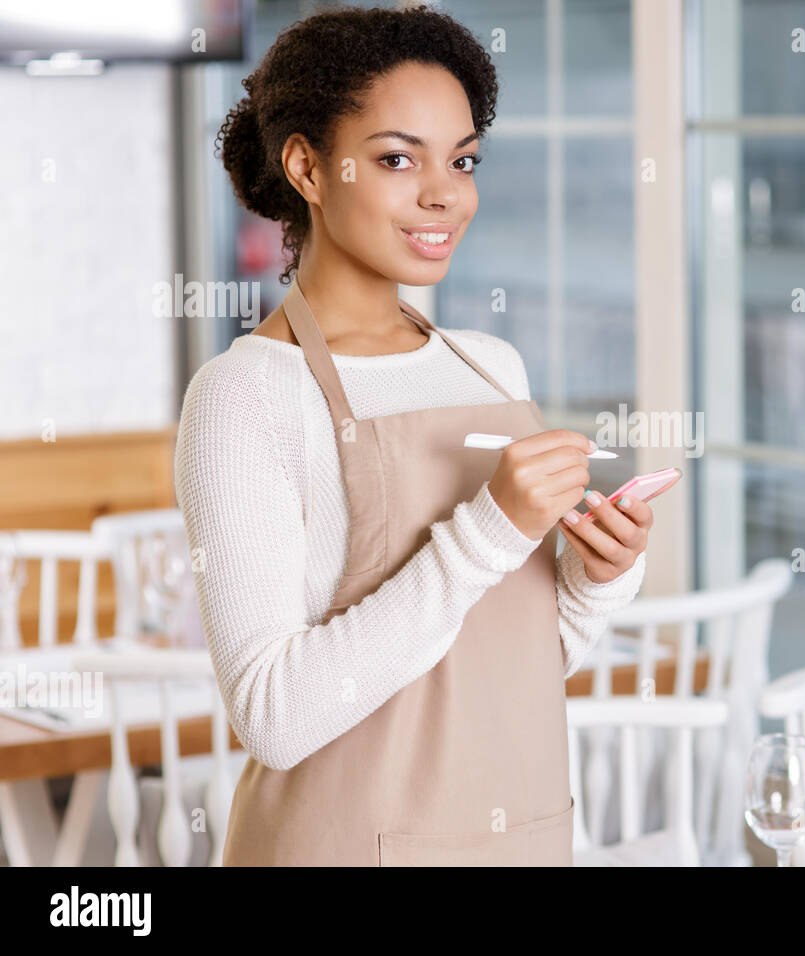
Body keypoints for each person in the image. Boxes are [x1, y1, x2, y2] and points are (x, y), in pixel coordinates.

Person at [174, 5, 651, 865]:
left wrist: (593, 581)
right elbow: (273, 716)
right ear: (307, 168)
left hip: (519, 837)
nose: (444, 193)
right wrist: (488, 533)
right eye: (398, 159)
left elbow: (504, 673)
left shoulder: (492, 367)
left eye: (463, 160)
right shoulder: (247, 394)